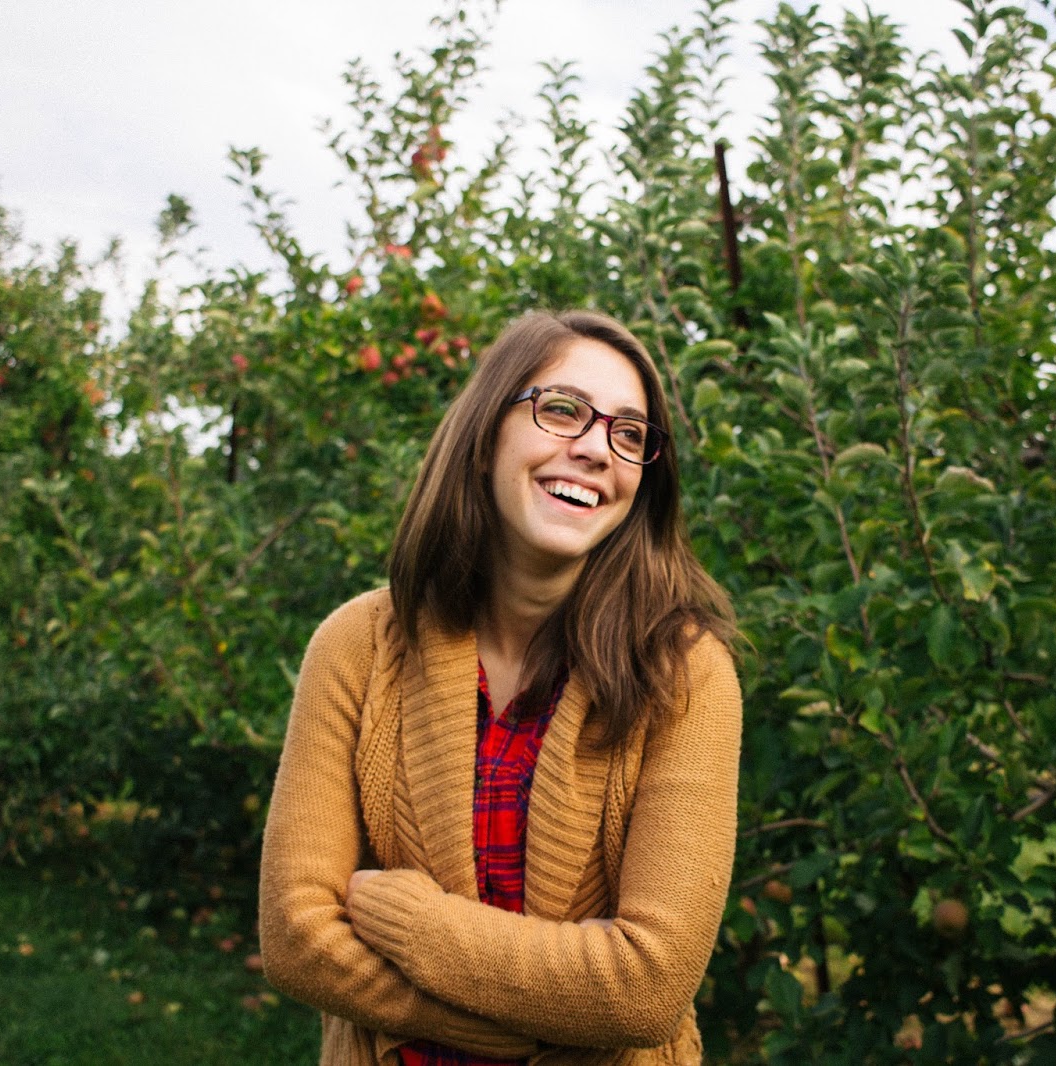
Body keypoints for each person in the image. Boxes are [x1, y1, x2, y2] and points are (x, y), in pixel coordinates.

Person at [259, 309, 741, 1065]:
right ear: (486, 434)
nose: (592, 449)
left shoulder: (682, 673)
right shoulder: (358, 647)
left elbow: (647, 987)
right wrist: (522, 1023)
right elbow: (296, 937)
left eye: (628, 434)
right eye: (562, 410)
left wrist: (416, 926)